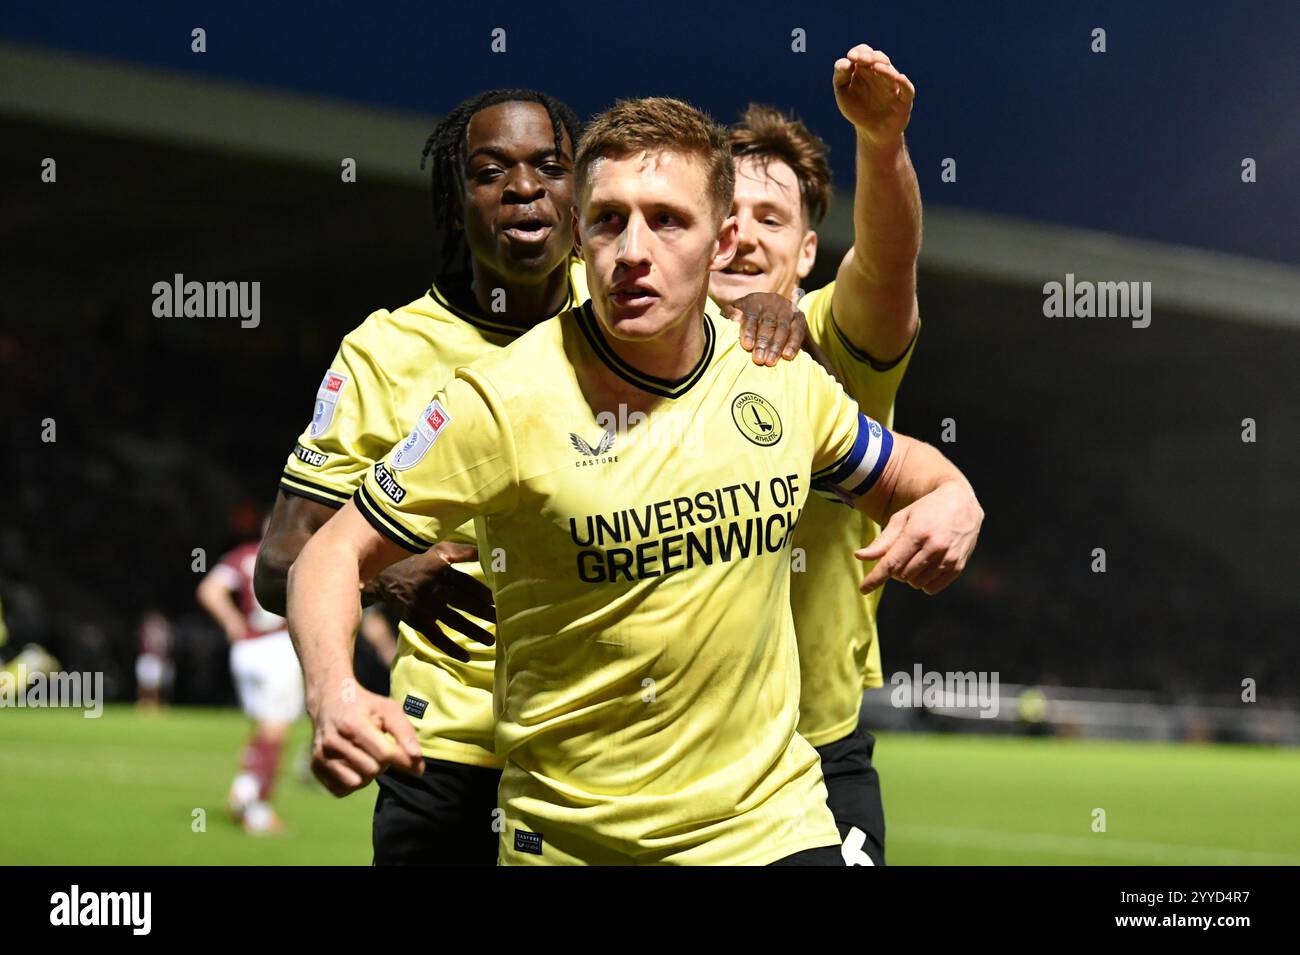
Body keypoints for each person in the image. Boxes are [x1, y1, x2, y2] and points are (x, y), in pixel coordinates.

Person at [288, 96, 983, 865]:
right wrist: (334, 691)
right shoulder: (500, 400)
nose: (634, 250)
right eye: (610, 220)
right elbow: (324, 553)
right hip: (572, 836)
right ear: (579, 234)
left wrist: (955, 497)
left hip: (771, 830)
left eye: (668, 220)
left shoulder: (776, 374)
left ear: (718, 243)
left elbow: (913, 470)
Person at [707, 43, 923, 864]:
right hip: (661, 761)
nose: (744, 235)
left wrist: (882, 142)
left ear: (805, 254)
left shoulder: (834, 336)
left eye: (772, 219)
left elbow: (890, 259)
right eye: (727, 210)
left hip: (816, 749)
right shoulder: (630, 338)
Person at [198, 532, 304, 835]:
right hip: (276, 646)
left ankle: (243, 790)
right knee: (276, 732)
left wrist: (232, 621)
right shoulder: (294, 552)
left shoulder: (244, 553)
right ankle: (256, 810)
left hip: (245, 650)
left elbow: (210, 590)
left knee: (262, 728)